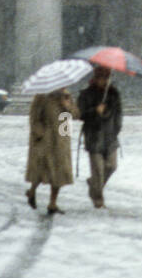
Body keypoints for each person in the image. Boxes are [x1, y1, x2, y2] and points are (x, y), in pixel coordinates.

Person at [25, 88, 78, 215]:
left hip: (62, 138)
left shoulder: (66, 96)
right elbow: (34, 118)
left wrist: (68, 106)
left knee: (60, 171)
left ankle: (52, 203)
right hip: (45, 140)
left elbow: (75, 115)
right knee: (41, 169)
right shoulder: (41, 97)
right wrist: (40, 134)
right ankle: (32, 191)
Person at [77, 66, 122, 208]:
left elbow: (119, 114)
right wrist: (95, 111)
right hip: (94, 136)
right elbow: (80, 114)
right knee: (98, 170)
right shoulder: (86, 94)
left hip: (110, 137)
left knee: (112, 166)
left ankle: (94, 184)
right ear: (95, 78)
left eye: (107, 78)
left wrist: (116, 129)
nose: (105, 81)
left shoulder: (114, 94)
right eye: (102, 78)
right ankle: (98, 199)